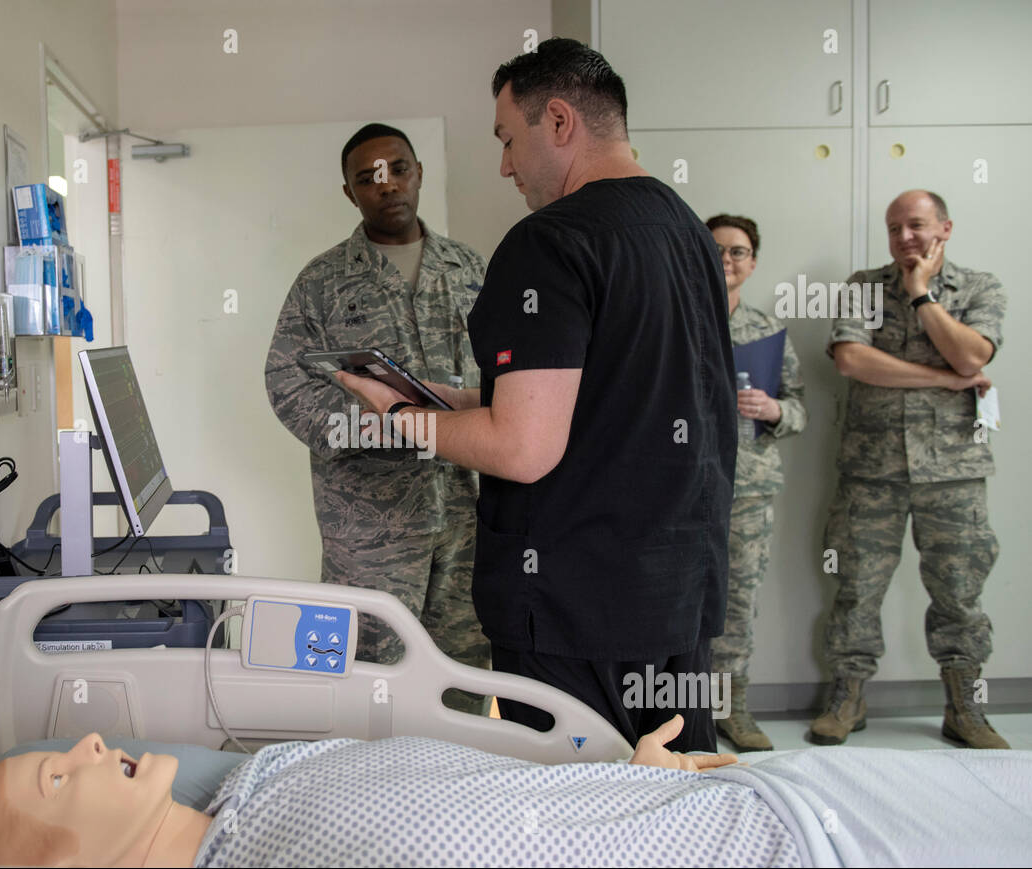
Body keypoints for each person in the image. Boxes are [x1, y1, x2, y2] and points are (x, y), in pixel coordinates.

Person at [336, 40, 736, 752]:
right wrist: (452, 400)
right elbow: (612, 399)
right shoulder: (688, 234)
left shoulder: (549, 243)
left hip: (576, 616)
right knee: (674, 803)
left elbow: (521, 449)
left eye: (507, 139)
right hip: (677, 599)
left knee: (575, 824)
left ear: (557, 122)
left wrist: (402, 418)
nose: (504, 165)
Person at [0, 730, 1032, 867]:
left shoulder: (260, 779)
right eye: (58, 774)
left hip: (777, 791)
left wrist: (622, 777)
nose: (92, 742)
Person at [264, 123, 491, 714]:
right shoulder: (323, 280)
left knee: (464, 666)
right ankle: (360, 796)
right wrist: (365, 425)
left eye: (398, 169)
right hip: (368, 525)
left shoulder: (471, 268)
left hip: (465, 510)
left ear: (418, 173)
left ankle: (459, 790)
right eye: (368, 178)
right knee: (365, 674)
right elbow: (286, 381)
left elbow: (510, 379)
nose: (387, 185)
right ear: (350, 192)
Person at [816, 189, 1006, 748]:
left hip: (954, 471)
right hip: (871, 471)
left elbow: (973, 356)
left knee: (960, 594)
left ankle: (965, 708)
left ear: (945, 228)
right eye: (894, 228)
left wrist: (922, 297)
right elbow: (853, 359)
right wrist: (945, 379)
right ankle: (847, 699)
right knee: (856, 588)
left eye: (916, 226)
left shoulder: (980, 287)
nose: (904, 238)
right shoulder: (864, 288)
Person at [706, 214, 807, 752]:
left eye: (738, 251)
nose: (727, 260)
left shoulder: (768, 331)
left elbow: (800, 411)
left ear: (754, 261)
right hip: (682, 491)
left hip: (747, 491)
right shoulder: (675, 320)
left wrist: (773, 409)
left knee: (738, 603)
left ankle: (733, 708)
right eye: (717, 249)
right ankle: (679, 707)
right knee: (679, 602)